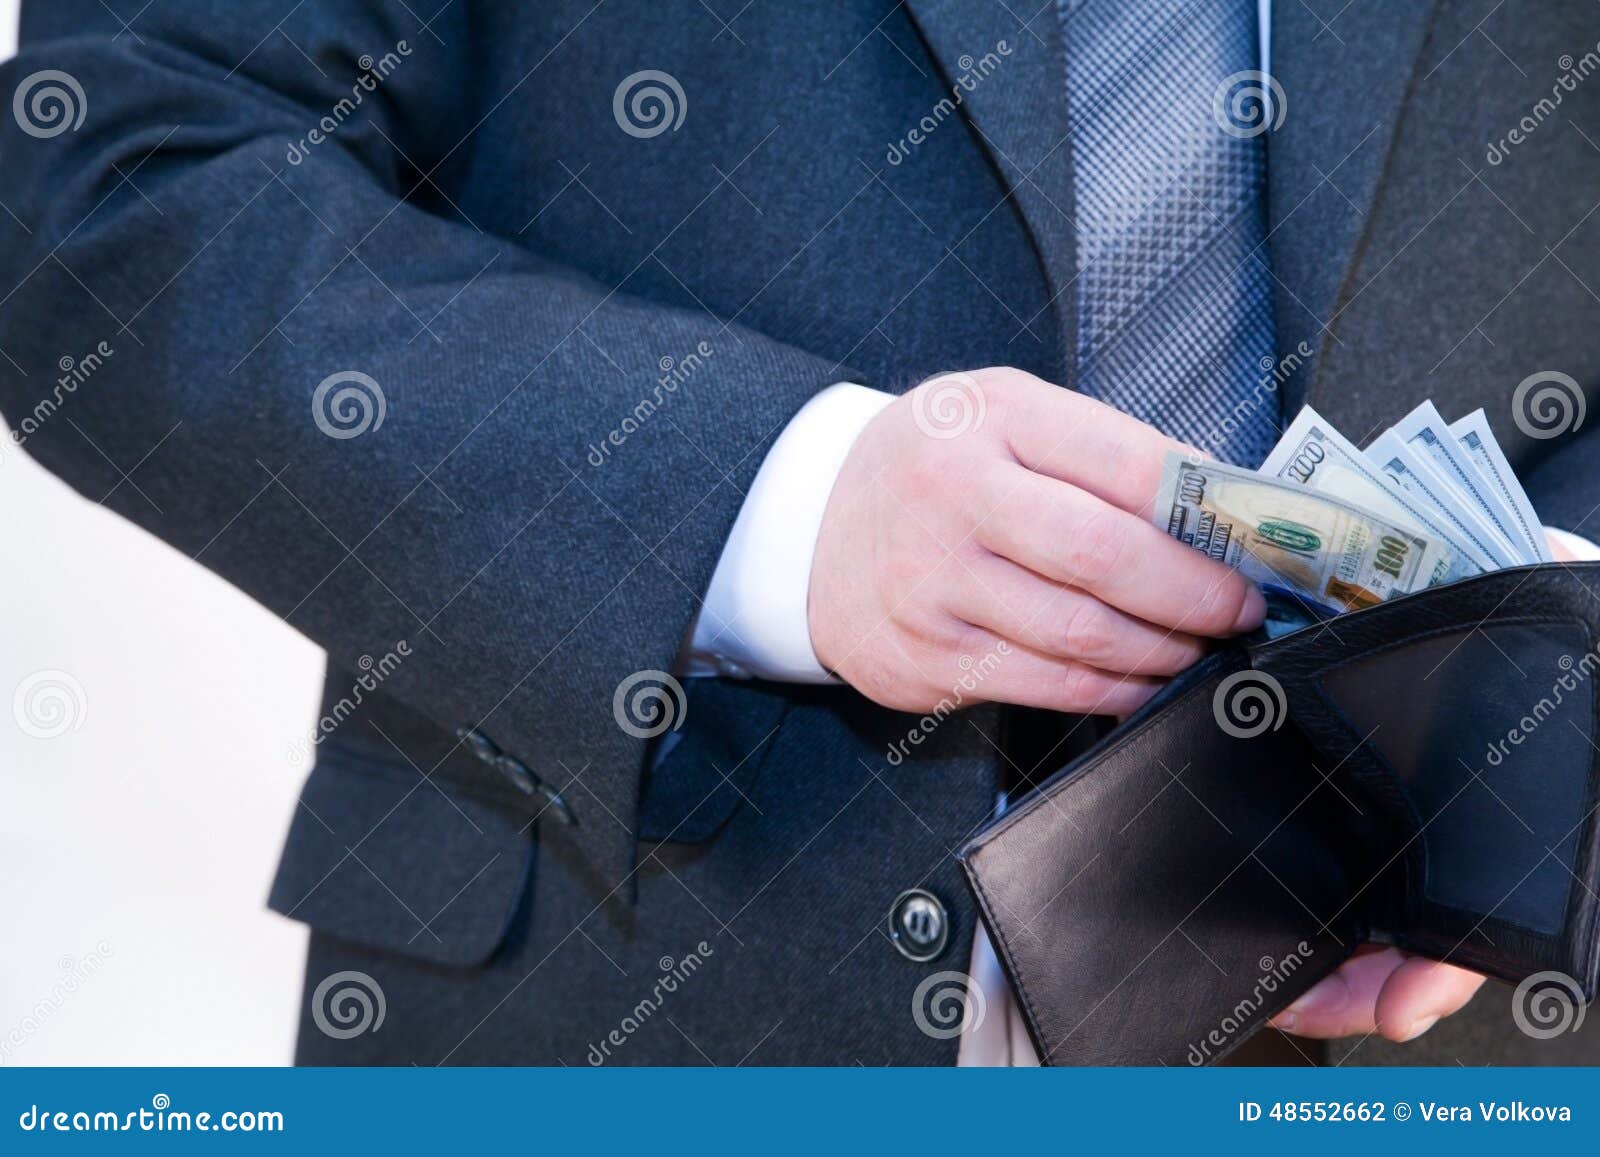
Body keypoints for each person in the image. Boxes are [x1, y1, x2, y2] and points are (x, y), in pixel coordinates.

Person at [0, 0, 1595, 1065]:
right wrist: (765, 499)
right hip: (637, 995)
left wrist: (1535, 705)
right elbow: (116, 176)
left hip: (1460, 1016)